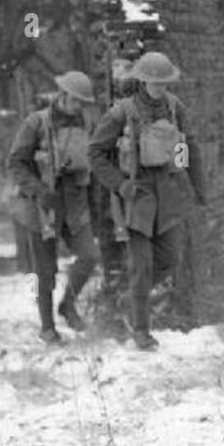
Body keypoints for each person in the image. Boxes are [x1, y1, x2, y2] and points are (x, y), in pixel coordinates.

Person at [89, 52, 205, 350]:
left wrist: (194, 185)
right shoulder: (122, 112)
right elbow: (96, 153)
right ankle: (141, 331)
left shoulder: (175, 109)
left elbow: (187, 147)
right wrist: (119, 184)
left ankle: (131, 299)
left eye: (163, 81)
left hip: (167, 192)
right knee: (141, 265)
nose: (158, 86)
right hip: (136, 193)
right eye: (153, 81)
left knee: (168, 259)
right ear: (142, 81)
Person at [7, 71, 102, 344]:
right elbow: (15, 163)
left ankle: (67, 304)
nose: (78, 107)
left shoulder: (87, 123)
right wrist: (38, 190)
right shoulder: (36, 123)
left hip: (75, 202)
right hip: (41, 205)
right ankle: (47, 327)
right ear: (62, 95)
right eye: (75, 100)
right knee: (45, 270)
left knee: (89, 256)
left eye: (82, 102)